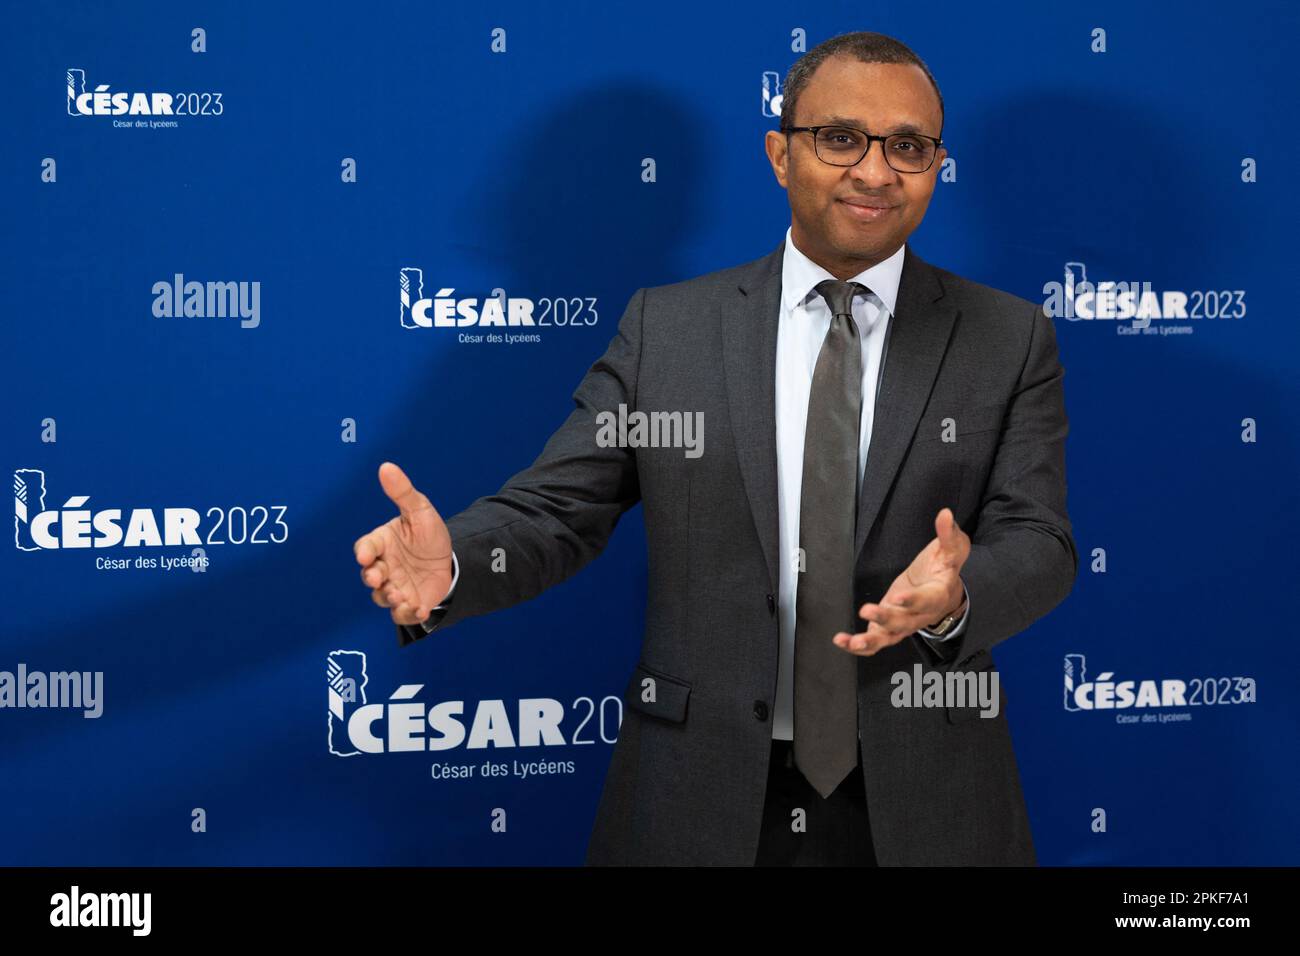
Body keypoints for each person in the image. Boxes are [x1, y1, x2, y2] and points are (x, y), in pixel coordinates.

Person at [353, 30, 1076, 866]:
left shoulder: (1008, 335)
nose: (875, 172)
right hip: (696, 799)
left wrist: (957, 599)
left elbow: (1040, 540)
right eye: (840, 138)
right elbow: (559, 508)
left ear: (936, 165)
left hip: (933, 801)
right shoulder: (670, 329)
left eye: (907, 147)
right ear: (780, 154)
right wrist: (451, 568)